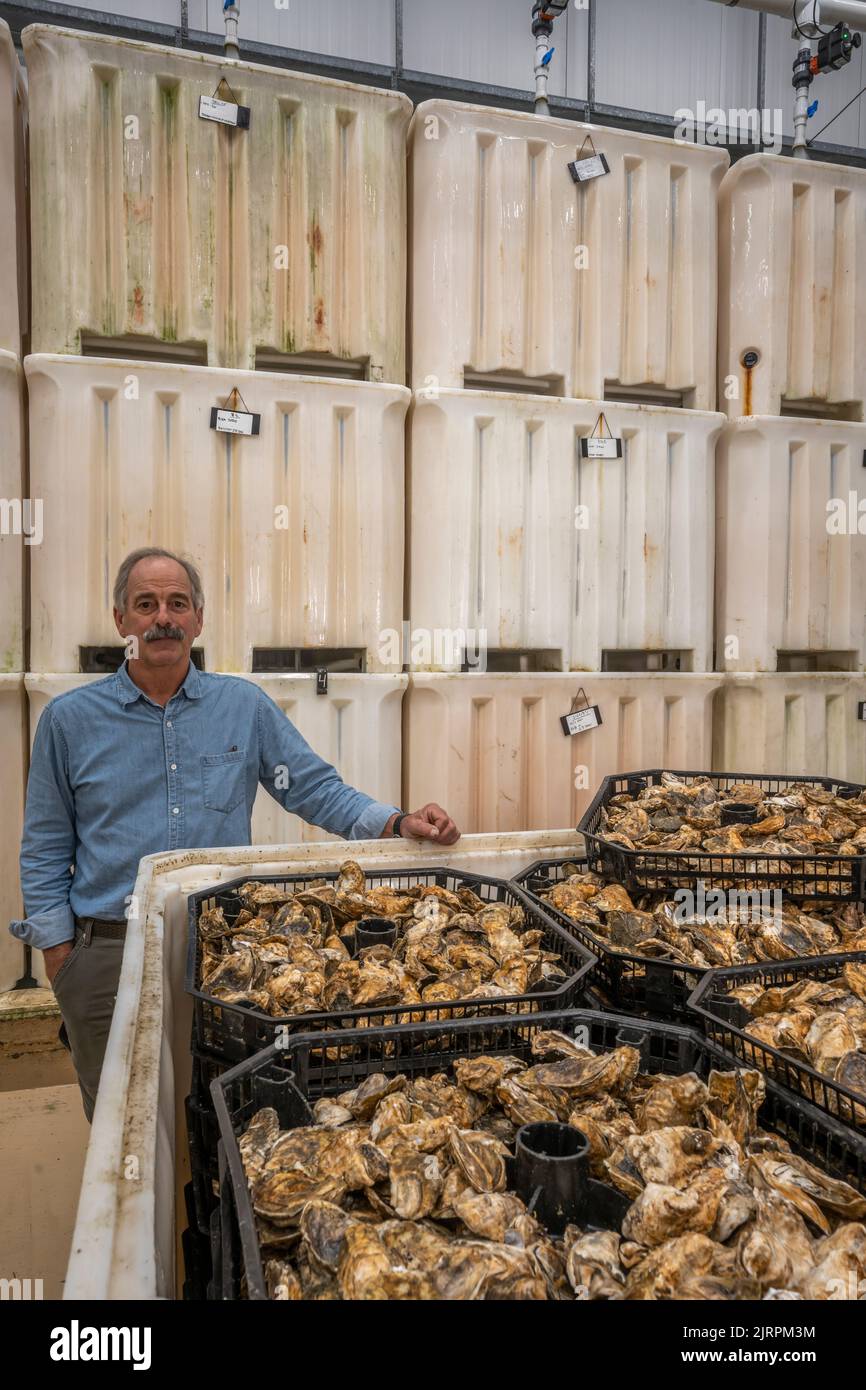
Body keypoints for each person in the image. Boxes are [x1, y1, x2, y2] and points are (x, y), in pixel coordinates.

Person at [11, 547, 460, 1121]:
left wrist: (397, 822)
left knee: (226, 1104)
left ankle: (210, 1208)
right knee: (121, 1117)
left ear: (199, 618)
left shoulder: (241, 707)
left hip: (225, 945)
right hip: (109, 950)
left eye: (177, 603)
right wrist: (60, 956)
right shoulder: (69, 721)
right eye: (145, 605)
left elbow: (313, 789)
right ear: (121, 619)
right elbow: (46, 844)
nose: (163, 618)